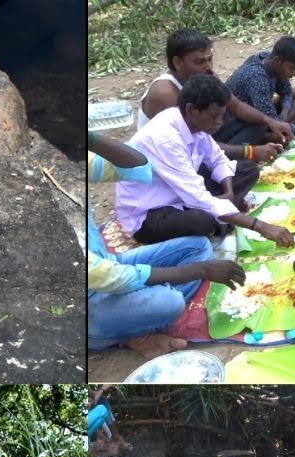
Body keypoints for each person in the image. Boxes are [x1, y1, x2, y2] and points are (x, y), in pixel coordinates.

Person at [88, 130, 245, 357]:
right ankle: (131, 334)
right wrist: (202, 270)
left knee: (198, 247)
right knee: (169, 301)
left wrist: (89, 138)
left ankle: (137, 321)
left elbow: (138, 168)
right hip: (89, 301)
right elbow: (114, 277)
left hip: (107, 262)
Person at [117, 75, 295, 246]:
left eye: (221, 116)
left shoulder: (195, 124)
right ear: (191, 110)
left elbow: (217, 158)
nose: (219, 122)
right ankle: (221, 220)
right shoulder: (165, 138)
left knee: (248, 169)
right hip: (150, 213)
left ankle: (223, 217)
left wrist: (229, 192)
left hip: (181, 194)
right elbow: (198, 197)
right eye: (213, 116)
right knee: (201, 221)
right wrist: (261, 227)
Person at [139, 27, 291, 164]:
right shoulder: (165, 92)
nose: (208, 66)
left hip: (203, 136)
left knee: (259, 122)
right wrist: (251, 152)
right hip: (176, 157)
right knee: (244, 169)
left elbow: (236, 105)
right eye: (199, 62)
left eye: (210, 59)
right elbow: (197, 143)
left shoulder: (206, 75)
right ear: (178, 62)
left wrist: (271, 122)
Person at [214, 36, 295, 147]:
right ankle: (286, 127)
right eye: (291, 68)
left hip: (264, 108)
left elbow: (286, 92)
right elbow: (268, 119)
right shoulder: (256, 76)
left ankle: (287, 124)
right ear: (277, 61)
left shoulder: (269, 60)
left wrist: (284, 112)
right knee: (282, 139)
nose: (293, 74)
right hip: (240, 122)